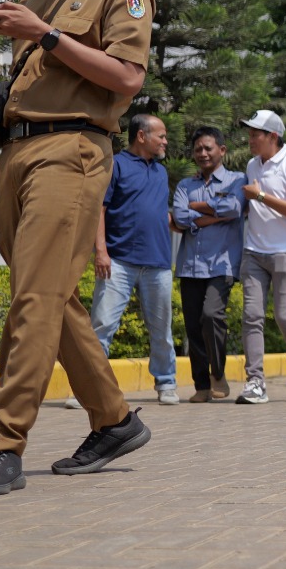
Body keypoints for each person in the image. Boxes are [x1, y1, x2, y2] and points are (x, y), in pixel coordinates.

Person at [0, 0, 153, 496]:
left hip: (72, 151)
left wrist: (45, 35)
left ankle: (3, 444)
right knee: (50, 295)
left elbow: (127, 79)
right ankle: (113, 420)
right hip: (19, 154)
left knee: (33, 300)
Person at [86, 114, 180, 406]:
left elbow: (157, 212)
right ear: (142, 136)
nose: (165, 141)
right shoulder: (116, 165)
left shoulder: (161, 172)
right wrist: (101, 251)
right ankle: (89, 388)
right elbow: (98, 211)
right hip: (119, 263)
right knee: (101, 325)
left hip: (158, 263)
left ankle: (166, 383)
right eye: (161, 136)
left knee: (162, 330)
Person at [237, 109, 286, 405]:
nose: (250, 139)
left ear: (273, 136)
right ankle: (255, 381)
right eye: (250, 134)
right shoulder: (251, 164)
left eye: (255, 134)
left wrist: (259, 197)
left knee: (285, 315)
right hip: (255, 251)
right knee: (252, 317)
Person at [171, 126, 245, 403]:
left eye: (208, 148)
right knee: (193, 325)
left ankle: (218, 373)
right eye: (198, 149)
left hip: (222, 264)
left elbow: (235, 208)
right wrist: (216, 214)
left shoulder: (237, 180)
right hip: (190, 265)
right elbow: (178, 216)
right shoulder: (185, 185)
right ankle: (202, 385)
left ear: (222, 150)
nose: (202, 153)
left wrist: (197, 208)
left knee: (212, 315)